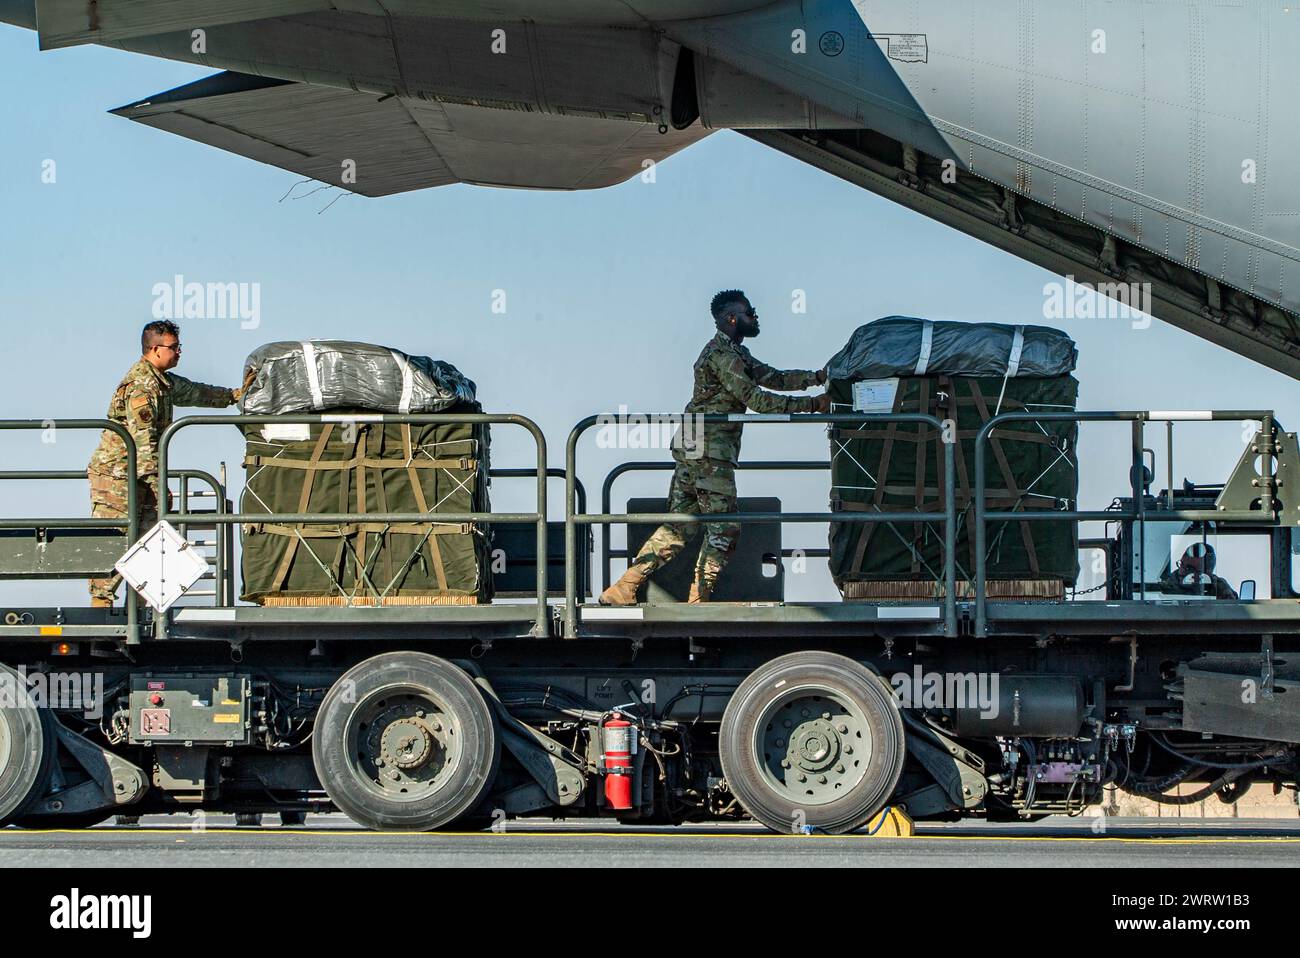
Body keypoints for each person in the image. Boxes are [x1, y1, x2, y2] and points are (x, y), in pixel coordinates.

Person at [599, 290, 830, 605]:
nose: (756, 317)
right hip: (709, 449)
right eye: (749, 313)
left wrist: (817, 377)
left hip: (695, 444)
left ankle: (624, 587)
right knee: (725, 528)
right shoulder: (724, 356)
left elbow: (773, 377)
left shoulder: (733, 352)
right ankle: (698, 599)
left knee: (679, 526)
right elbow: (759, 399)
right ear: (732, 318)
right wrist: (814, 405)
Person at [87, 321, 241, 607]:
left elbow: (196, 392)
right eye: (174, 347)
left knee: (146, 538)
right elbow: (143, 440)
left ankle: (140, 606)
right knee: (116, 535)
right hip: (118, 475)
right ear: (155, 349)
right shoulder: (142, 386)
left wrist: (234, 396)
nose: (179, 352)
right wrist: (160, 484)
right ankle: (101, 603)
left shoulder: (162, 382)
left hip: (140, 473)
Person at [1159, 542, 1238, 599]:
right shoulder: (1163, 588)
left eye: (1189, 569)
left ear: (1207, 573)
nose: (1182, 571)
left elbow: (1232, 612)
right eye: (1182, 564)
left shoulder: (1218, 587)